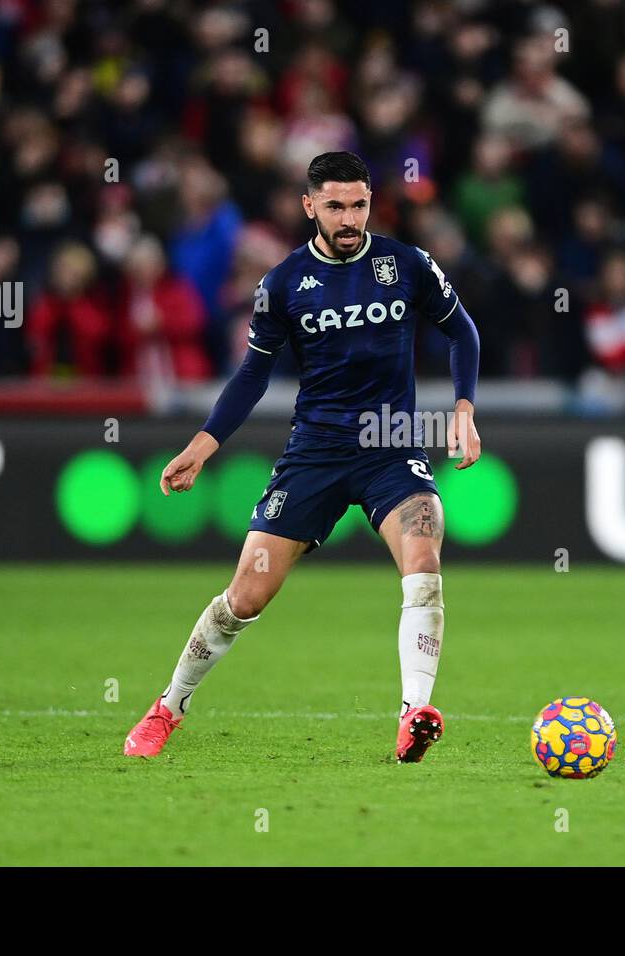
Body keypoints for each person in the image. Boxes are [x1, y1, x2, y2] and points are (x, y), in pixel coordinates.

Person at [123, 151, 481, 763]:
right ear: (309, 206)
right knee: (246, 598)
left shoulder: (407, 264)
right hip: (314, 451)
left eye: (360, 205)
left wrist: (464, 409)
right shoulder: (283, 284)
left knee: (424, 559)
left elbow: (463, 333)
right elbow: (251, 378)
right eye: (336, 206)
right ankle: (168, 708)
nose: (349, 219)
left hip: (390, 444)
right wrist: (202, 446)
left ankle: (413, 714)